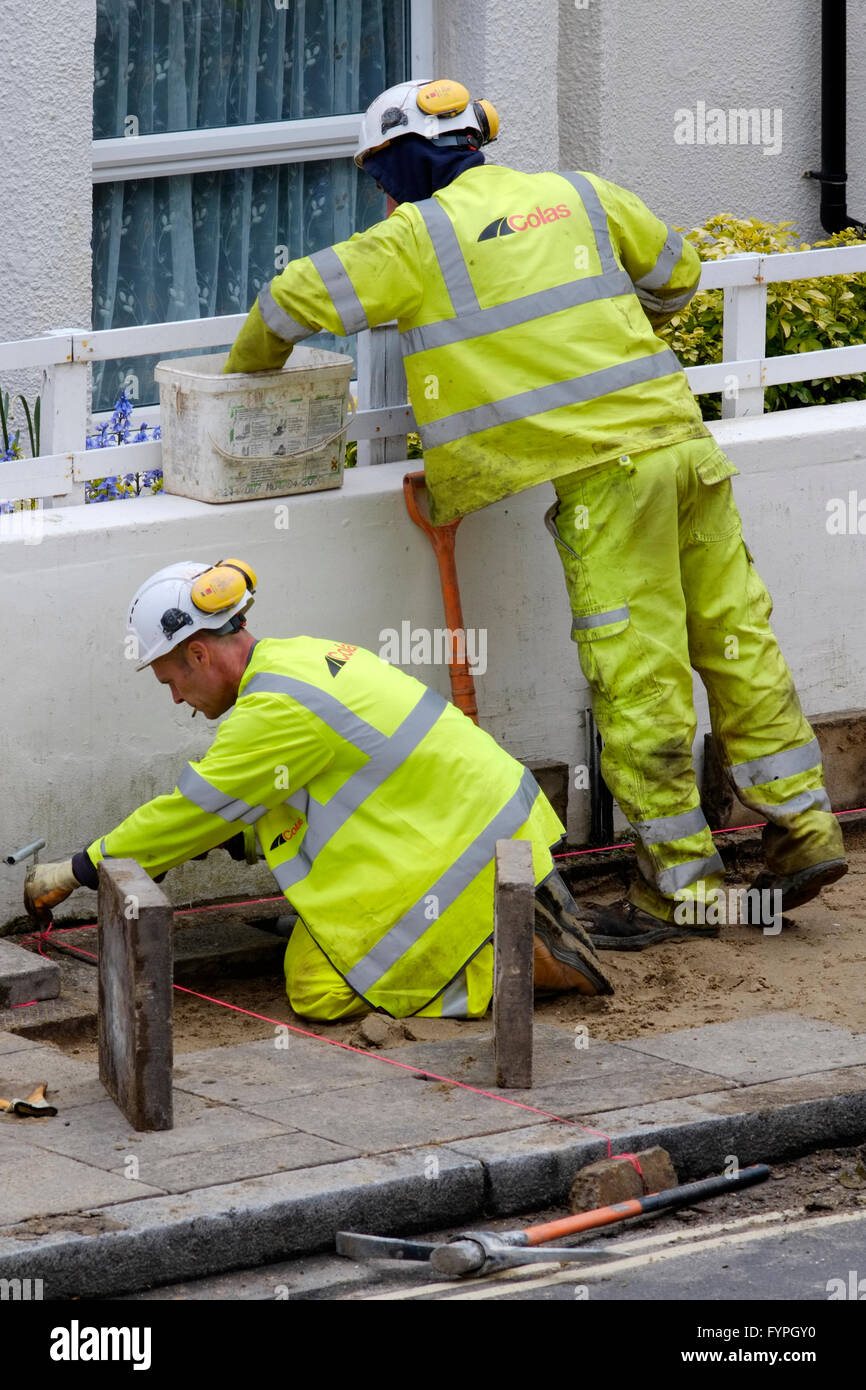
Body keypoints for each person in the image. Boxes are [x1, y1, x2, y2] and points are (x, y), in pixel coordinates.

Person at [222, 77, 847, 949]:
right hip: (682, 445)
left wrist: (236, 386)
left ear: (399, 162)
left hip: (605, 482)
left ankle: (684, 890)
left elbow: (284, 304)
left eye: (378, 174)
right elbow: (678, 275)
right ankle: (805, 830)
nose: (380, 191)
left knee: (639, 674)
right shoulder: (578, 194)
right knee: (735, 637)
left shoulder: (414, 237)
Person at [23, 558, 613, 1019]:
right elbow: (313, 791)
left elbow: (189, 812)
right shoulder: (297, 660)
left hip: (468, 850)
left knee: (317, 987)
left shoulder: (273, 712)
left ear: (198, 653)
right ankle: (511, 924)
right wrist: (233, 840)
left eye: (172, 680)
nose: (176, 697)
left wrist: (75, 870)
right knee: (320, 938)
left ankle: (520, 962)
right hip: (488, 823)